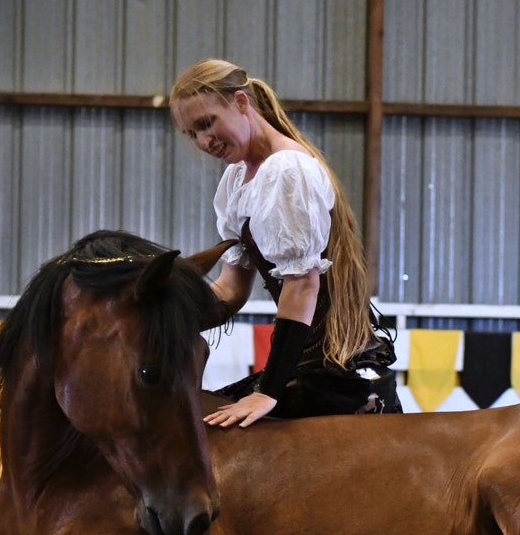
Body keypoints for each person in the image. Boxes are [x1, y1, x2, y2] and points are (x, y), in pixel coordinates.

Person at [170, 58, 401, 427]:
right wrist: (167, 320)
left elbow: (303, 283)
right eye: (191, 134)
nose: (202, 141)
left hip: (334, 369)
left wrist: (267, 391)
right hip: (303, 365)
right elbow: (230, 287)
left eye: (206, 123)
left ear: (242, 104)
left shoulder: (286, 170)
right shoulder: (237, 180)